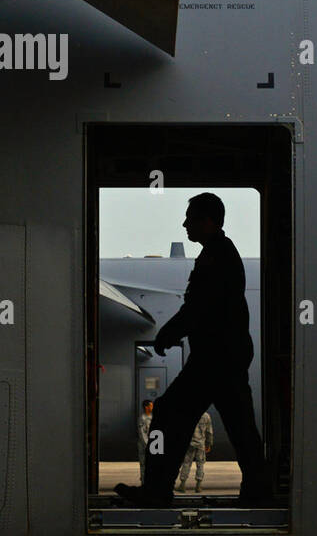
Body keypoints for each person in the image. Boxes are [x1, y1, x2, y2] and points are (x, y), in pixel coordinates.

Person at [116, 192, 272, 507]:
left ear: (208, 221)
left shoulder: (216, 256)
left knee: (168, 413)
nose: (185, 224)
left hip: (215, 359)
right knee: (241, 427)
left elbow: (200, 306)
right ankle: (259, 491)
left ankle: (156, 490)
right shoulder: (219, 253)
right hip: (224, 358)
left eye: (190, 218)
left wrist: (168, 332)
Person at [176, 412, 213, 492]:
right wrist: (208, 444)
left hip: (190, 443)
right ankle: (198, 486)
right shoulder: (206, 416)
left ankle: (182, 485)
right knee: (200, 464)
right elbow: (209, 432)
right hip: (201, 444)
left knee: (186, 463)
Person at [137, 398, 154, 484]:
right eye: (151, 405)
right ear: (146, 407)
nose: (152, 407)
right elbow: (142, 434)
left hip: (152, 445)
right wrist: (147, 446)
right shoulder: (142, 418)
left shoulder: (152, 417)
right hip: (144, 446)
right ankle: (144, 483)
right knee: (143, 465)